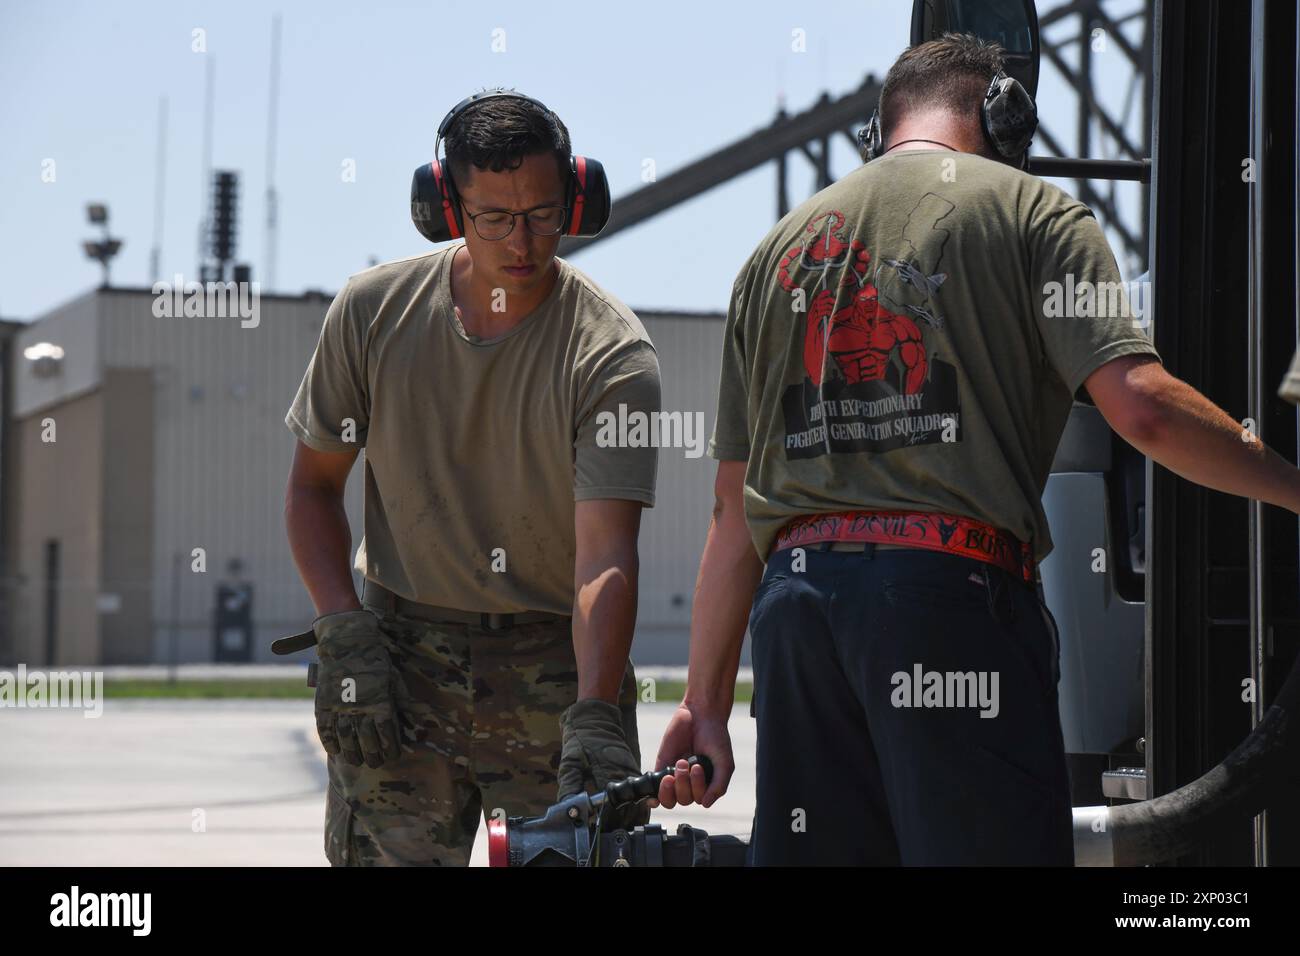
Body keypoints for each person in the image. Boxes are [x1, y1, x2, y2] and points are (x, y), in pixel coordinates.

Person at [653, 34, 1300, 865]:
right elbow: (1142, 413)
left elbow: (731, 507)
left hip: (798, 621)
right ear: (1005, 116)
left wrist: (704, 700)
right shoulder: (1034, 212)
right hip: (944, 605)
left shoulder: (775, 252)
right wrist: (1289, 485)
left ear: (879, 131)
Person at [283, 89, 661, 865]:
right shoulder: (371, 313)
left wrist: (592, 710)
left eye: (543, 214)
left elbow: (605, 556)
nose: (522, 241)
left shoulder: (612, 354)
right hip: (399, 660)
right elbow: (313, 488)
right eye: (494, 217)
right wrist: (342, 626)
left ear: (577, 199)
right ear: (445, 206)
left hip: (555, 661)